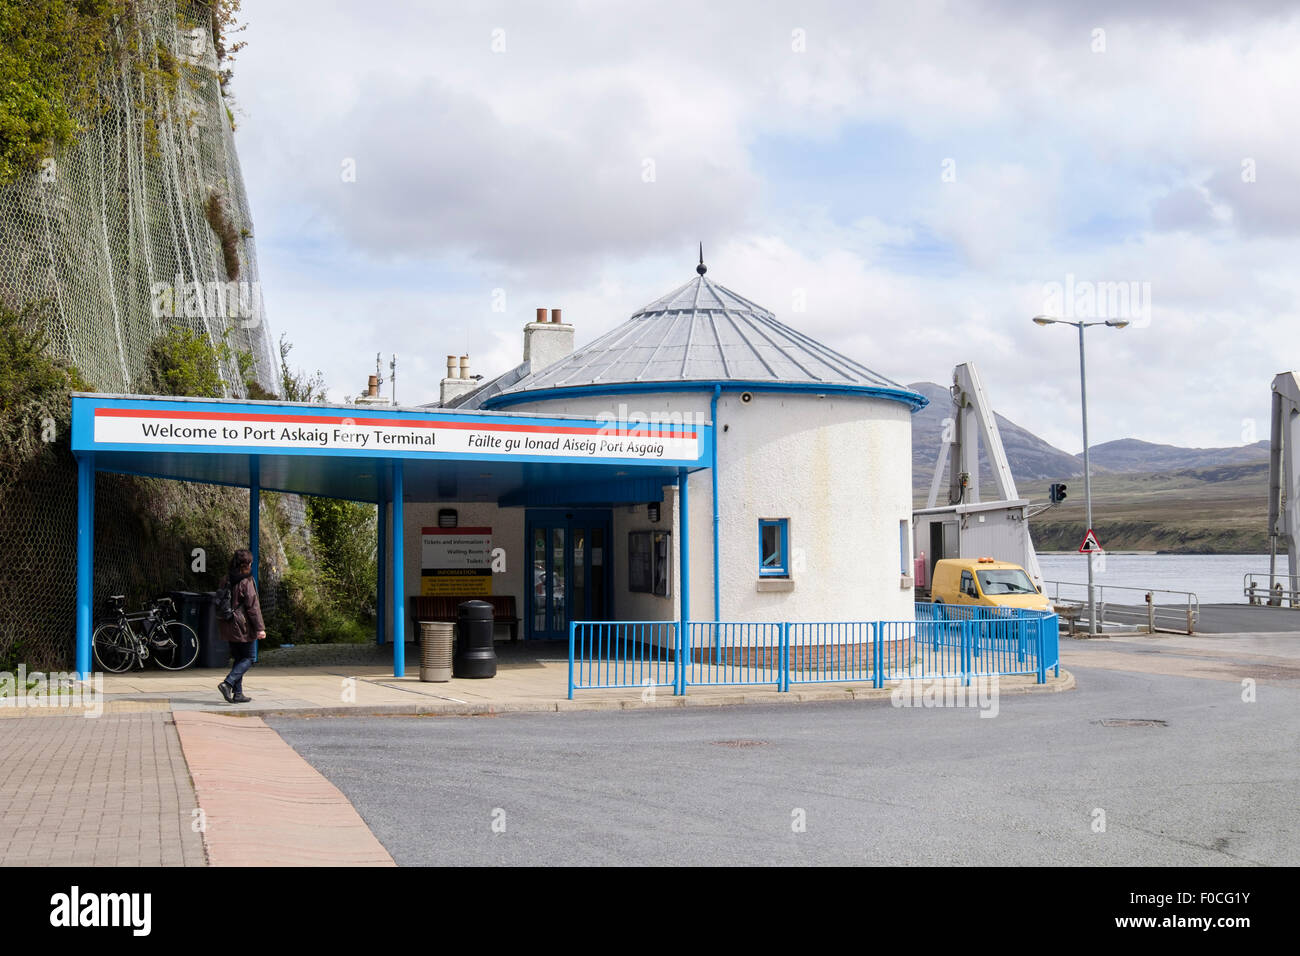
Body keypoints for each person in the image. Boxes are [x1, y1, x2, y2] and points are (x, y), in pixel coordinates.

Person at [217, 549, 265, 704]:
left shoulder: (226, 579)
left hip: (227, 622)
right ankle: (228, 683)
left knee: (238, 658)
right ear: (248, 563)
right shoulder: (246, 580)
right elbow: (253, 607)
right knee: (250, 657)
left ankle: (238, 694)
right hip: (242, 625)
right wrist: (260, 628)